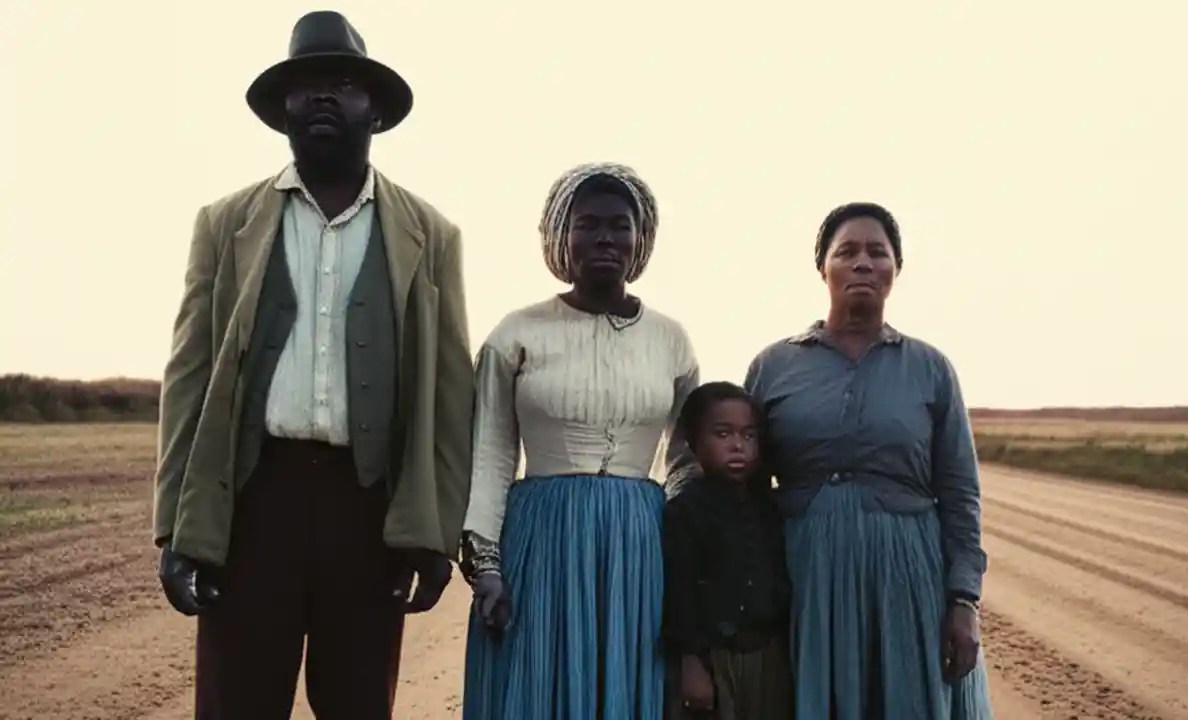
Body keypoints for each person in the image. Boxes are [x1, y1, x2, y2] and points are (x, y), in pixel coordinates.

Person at [151, 11, 473, 719]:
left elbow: (451, 394)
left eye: (345, 83)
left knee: (357, 704)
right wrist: (176, 529)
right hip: (252, 503)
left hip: (369, 511)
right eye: (306, 84)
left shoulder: (430, 235)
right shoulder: (224, 223)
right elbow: (189, 380)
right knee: (237, 703)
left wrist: (435, 534)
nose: (323, 96)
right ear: (283, 111)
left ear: (377, 110)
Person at [460, 162, 700, 720]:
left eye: (620, 225)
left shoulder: (671, 340)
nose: (604, 238)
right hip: (541, 537)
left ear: (641, 240)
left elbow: (688, 456)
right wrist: (487, 565)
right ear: (559, 236)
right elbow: (492, 454)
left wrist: (678, 544)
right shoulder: (517, 333)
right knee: (540, 682)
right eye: (587, 223)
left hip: (638, 545)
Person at [744, 202, 993, 718]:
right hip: (804, 577)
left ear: (894, 271)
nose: (863, 263)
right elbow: (740, 484)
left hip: (907, 577)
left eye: (877, 253)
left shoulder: (930, 368)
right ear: (823, 268)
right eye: (847, 252)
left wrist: (963, 600)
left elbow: (960, 491)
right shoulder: (773, 366)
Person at [662, 382, 793, 720]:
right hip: (712, 662)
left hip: (767, 657)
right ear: (693, 443)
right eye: (722, 435)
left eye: (749, 436)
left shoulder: (769, 508)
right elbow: (680, 594)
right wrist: (691, 662)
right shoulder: (686, 512)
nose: (738, 446)